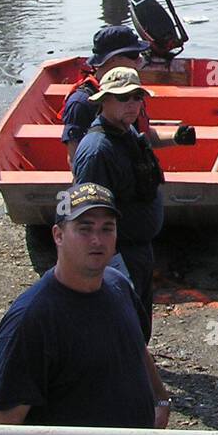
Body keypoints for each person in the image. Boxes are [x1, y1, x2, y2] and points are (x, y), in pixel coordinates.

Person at [0, 182, 171, 435]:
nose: (97, 239)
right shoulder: (33, 319)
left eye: (107, 228)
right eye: (84, 228)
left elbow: (136, 346)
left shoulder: (118, 286)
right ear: (58, 235)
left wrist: (159, 396)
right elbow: (3, 426)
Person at [71, 68, 165, 341]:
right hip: (118, 253)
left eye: (137, 97)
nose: (133, 105)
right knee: (117, 325)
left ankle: (135, 369)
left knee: (138, 322)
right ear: (105, 100)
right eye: (124, 98)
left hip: (140, 248)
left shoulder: (128, 134)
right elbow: (87, 215)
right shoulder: (97, 150)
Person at [58, 25, 195, 165]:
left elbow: (142, 134)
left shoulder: (130, 93)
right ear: (112, 59)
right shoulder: (81, 103)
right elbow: (75, 159)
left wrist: (176, 137)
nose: (140, 60)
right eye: (134, 55)